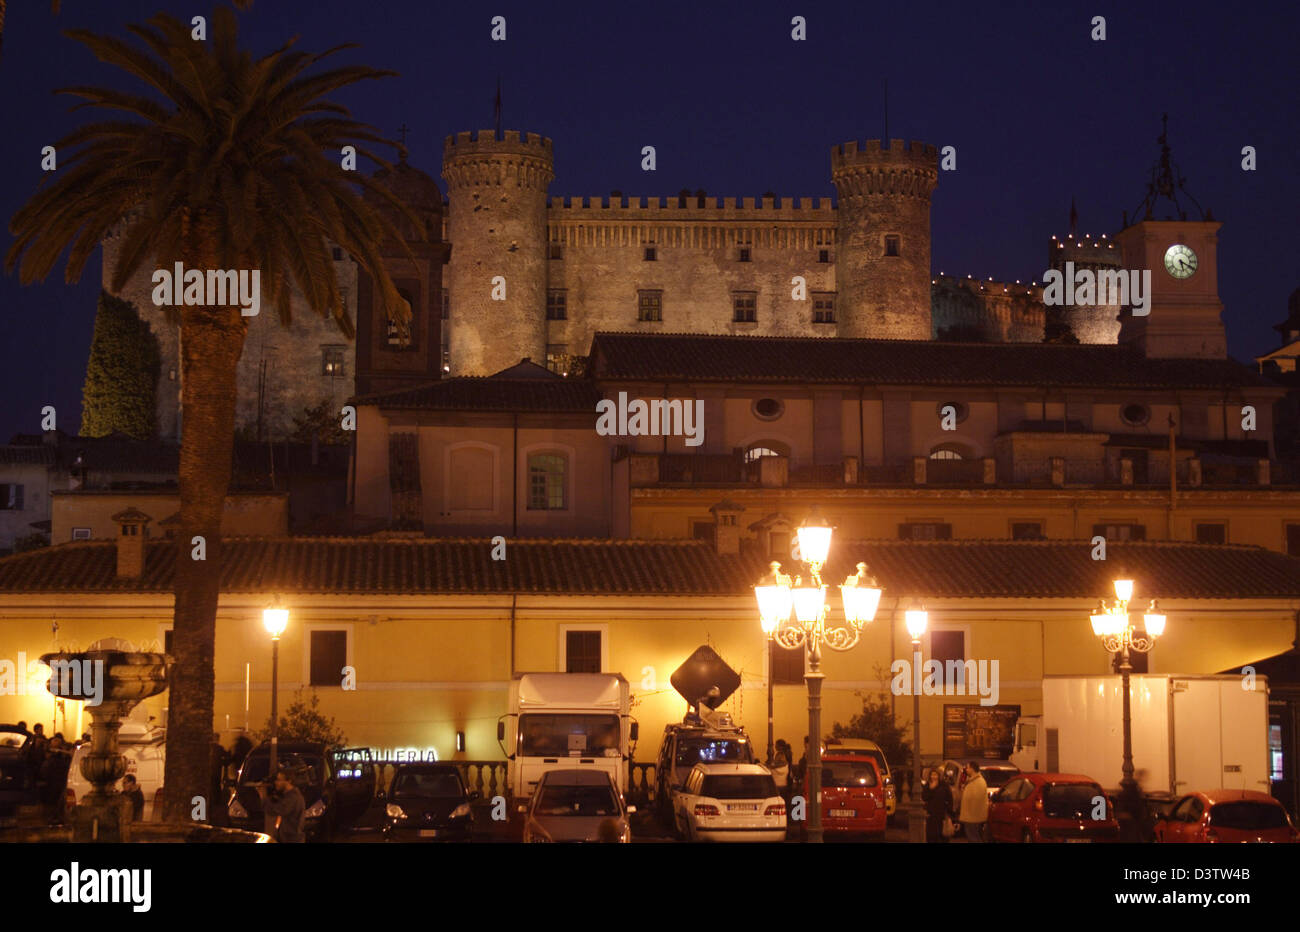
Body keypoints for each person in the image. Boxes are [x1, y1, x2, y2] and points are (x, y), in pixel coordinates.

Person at [258, 766, 306, 843]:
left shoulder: (292, 798)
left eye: (279, 780)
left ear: (289, 781)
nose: (276, 783)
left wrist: (263, 796)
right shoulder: (288, 796)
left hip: (291, 839)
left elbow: (274, 811)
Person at [922, 768, 955, 843]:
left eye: (935, 775)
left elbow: (949, 798)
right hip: (931, 813)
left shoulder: (944, 785)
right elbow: (924, 797)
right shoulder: (927, 785)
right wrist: (931, 789)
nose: (933, 777)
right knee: (931, 833)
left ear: (939, 776)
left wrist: (949, 811)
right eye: (932, 775)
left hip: (941, 813)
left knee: (941, 833)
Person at [958, 762, 988, 842]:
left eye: (967, 768)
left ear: (972, 769)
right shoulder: (972, 781)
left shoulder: (979, 782)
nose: (966, 770)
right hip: (970, 816)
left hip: (973, 817)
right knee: (972, 837)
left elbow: (976, 799)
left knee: (973, 838)